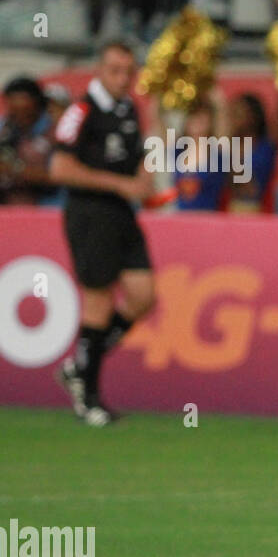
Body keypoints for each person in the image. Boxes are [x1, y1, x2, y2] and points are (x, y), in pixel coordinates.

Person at [49, 40, 158, 426]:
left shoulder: (130, 109)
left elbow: (140, 158)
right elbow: (59, 169)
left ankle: (81, 365)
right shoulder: (80, 111)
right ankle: (88, 398)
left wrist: (145, 177)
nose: (123, 78)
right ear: (99, 69)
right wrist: (120, 185)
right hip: (90, 213)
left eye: (129, 71)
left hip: (122, 215)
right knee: (97, 303)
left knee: (143, 295)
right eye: (115, 70)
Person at [0, 77, 59, 206]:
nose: (19, 115)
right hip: (4, 206)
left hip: (47, 207)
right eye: (13, 110)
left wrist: (14, 170)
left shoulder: (55, 131)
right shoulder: (0, 127)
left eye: (25, 109)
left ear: (37, 104)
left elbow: (59, 176)